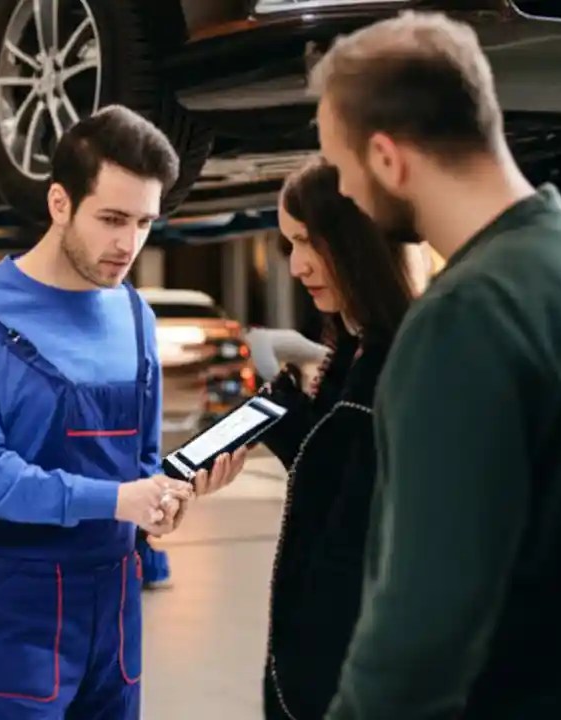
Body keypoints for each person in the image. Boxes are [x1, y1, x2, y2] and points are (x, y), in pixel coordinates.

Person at [309, 12, 561, 718]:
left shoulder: (465, 318)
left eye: (340, 170)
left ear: (387, 158)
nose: (342, 194)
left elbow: (420, 632)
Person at [0, 105, 244, 720]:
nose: (128, 244)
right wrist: (120, 500)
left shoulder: (136, 316)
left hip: (116, 599)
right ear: (60, 203)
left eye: (145, 222)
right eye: (112, 219)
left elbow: (140, 463)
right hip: (16, 603)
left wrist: (166, 501)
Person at [229, 156, 414, 720]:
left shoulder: (402, 366)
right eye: (289, 244)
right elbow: (333, 477)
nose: (296, 265)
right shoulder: (353, 353)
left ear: (357, 237)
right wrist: (284, 422)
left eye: (308, 241)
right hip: (311, 674)